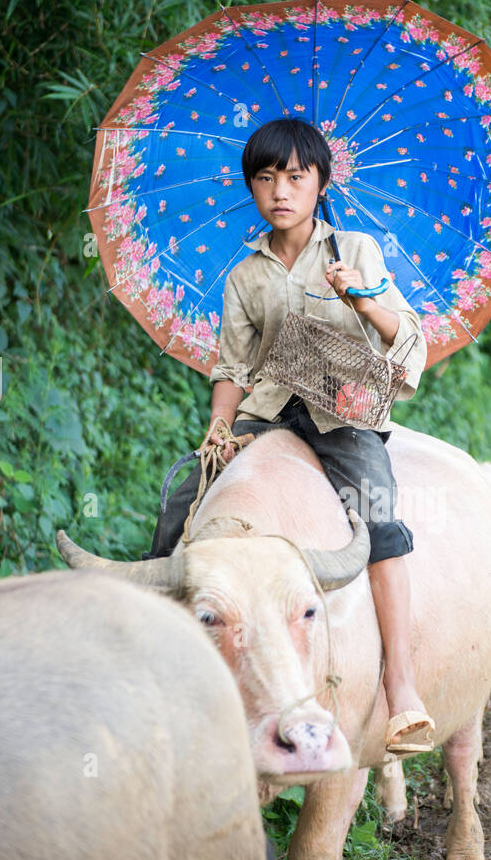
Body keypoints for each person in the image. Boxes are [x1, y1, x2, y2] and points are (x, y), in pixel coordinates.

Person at [148, 117, 434, 756]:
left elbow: (408, 333)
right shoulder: (245, 276)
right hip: (272, 409)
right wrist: (220, 428)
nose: (280, 190)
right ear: (252, 187)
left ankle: (402, 686)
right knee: (180, 502)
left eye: (296, 177)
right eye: (266, 177)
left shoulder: (355, 250)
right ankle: (167, 663)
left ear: (321, 183)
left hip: (343, 409)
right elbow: (231, 368)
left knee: (378, 515)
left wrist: (363, 302)